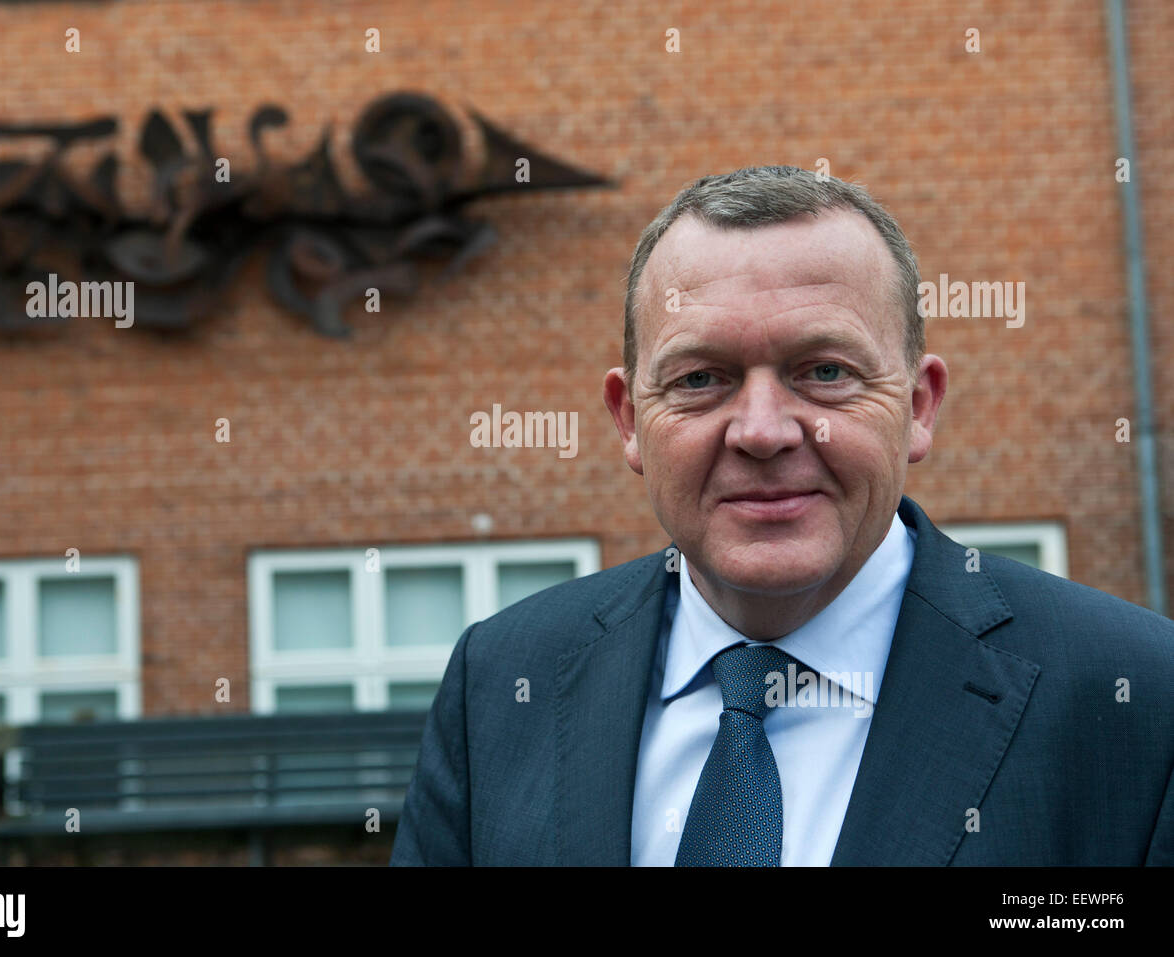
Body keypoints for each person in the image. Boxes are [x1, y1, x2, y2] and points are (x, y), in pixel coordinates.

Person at [389, 166, 1174, 866]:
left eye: (824, 371)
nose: (762, 431)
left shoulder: (1135, 697)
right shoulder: (500, 684)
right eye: (701, 378)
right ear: (629, 419)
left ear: (919, 404)